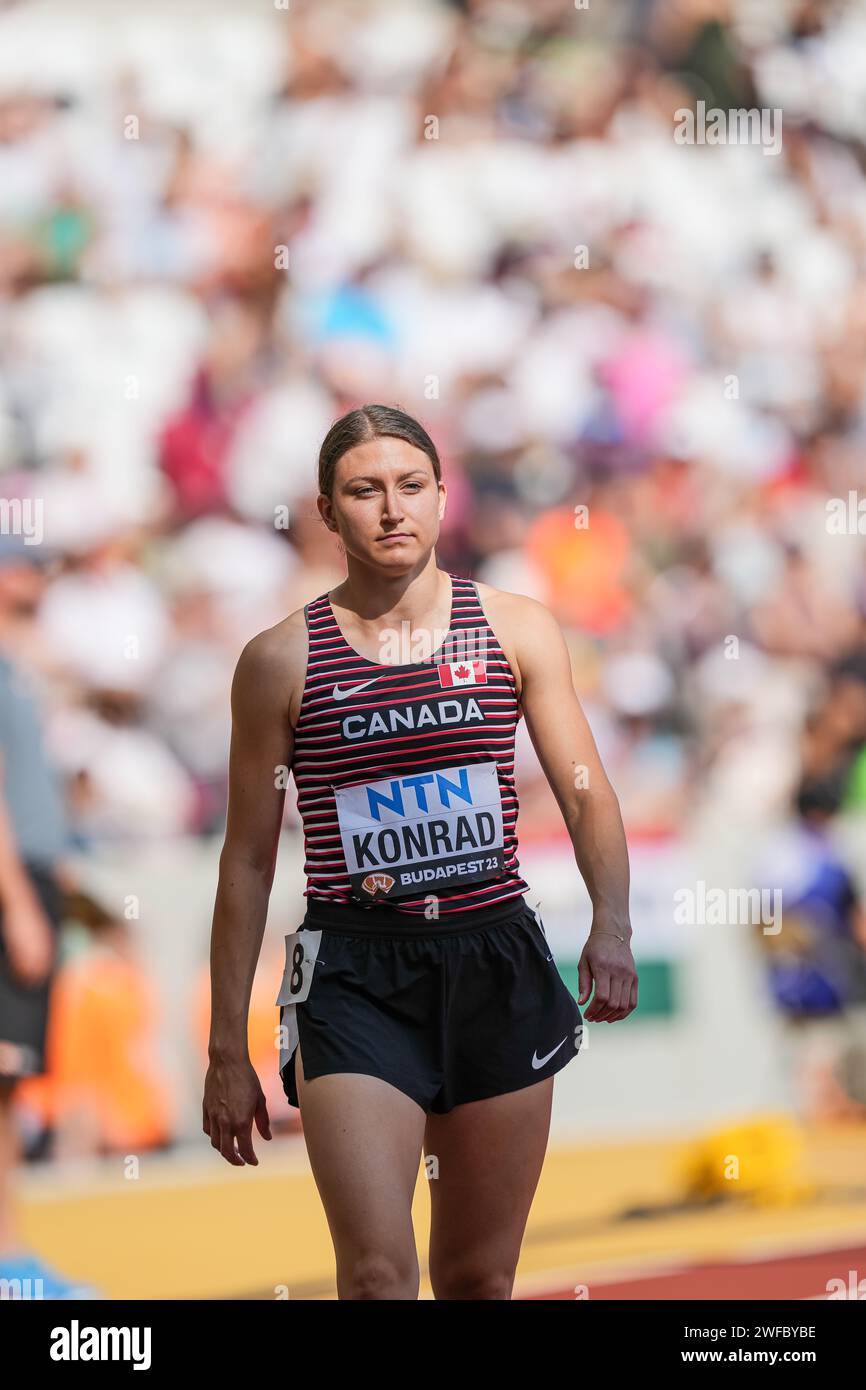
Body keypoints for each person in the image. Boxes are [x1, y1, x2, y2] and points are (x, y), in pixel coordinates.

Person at [203, 404, 637, 1300]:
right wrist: (223, 1048)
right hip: (354, 978)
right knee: (374, 1274)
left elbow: (585, 788)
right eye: (365, 491)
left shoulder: (515, 629)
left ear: (444, 497)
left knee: (478, 1278)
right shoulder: (280, 661)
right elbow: (246, 859)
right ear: (328, 512)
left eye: (411, 487)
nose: (392, 510)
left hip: (495, 961)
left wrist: (613, 926)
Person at [0, 539, 97, 1298]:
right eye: (23, 567)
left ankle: (12, 1256)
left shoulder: (20, 665)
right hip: (12, 886)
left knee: (10, 1079)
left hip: (32, 878)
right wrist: (18, 903)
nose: (36, 579)